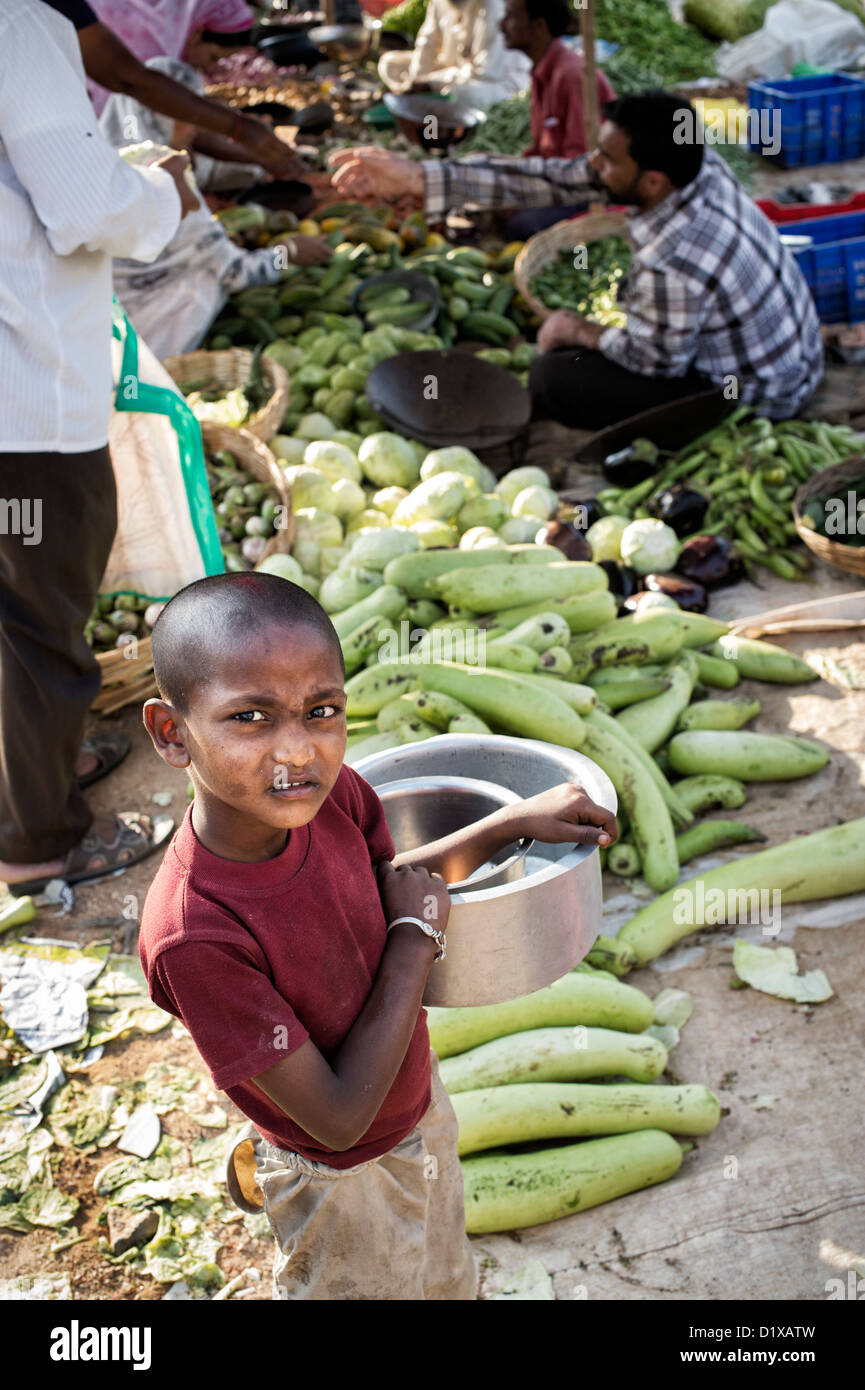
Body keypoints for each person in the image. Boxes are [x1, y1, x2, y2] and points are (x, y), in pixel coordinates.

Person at [138, 572, 618, 1301]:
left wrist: (505, 826)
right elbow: (335, 1119)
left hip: (415, 1104)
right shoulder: (196, 935)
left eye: (320, 710)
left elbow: (385, 891)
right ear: (173, 734)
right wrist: (413, 941)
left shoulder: (335, 798)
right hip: (339, 1182)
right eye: (251, 718)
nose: (296, 751)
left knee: (442, 1278)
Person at [0, 0, 199, 894]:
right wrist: (164, 191)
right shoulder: (16, 22)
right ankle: (39, 841)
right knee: (38, 615)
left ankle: (34, 769)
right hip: (22, 401)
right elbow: (82, 206)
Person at [330, 91, 824, 427]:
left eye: (607, 159)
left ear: (652, 180)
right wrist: (420, 177)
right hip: (789, 358)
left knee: (556, 378)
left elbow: (656, 363)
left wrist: (578, 328)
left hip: (757, 397)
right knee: (573, 355)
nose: (593, 164)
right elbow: (552, 178)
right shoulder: (694, 166)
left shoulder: (675, 258)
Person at [100, 57, 332, 357]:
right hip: (152, 341)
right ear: (168, 115)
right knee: (208, 281)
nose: (196, 126)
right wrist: (288, 253)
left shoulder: (103, 161)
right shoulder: (168, 178)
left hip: (102, 334)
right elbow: (235, 274)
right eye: (188, 112)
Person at [42, 0, 305, 179]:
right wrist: (243, 132)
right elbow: (139, 88)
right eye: (213, 57)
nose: (210, 66)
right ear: (197, 32)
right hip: (105, 149)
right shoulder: (154, 55)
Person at [497, 0, 615, 237]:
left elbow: (582, 165)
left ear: (538, 26)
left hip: (586, 190)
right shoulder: (543, 72)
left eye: (511, 17)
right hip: (559, 178)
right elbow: (541, 150)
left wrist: (528, 196)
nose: (502, 26)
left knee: (521, 226)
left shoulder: (571, 76)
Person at [378, 0, 532, 111]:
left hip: (493, 83)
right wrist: (416, 81)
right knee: (389, 64)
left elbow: (481, 73)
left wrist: (429, 83)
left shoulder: (493, 7)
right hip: (450, 73)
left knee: (463, 94)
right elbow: (427, 43)